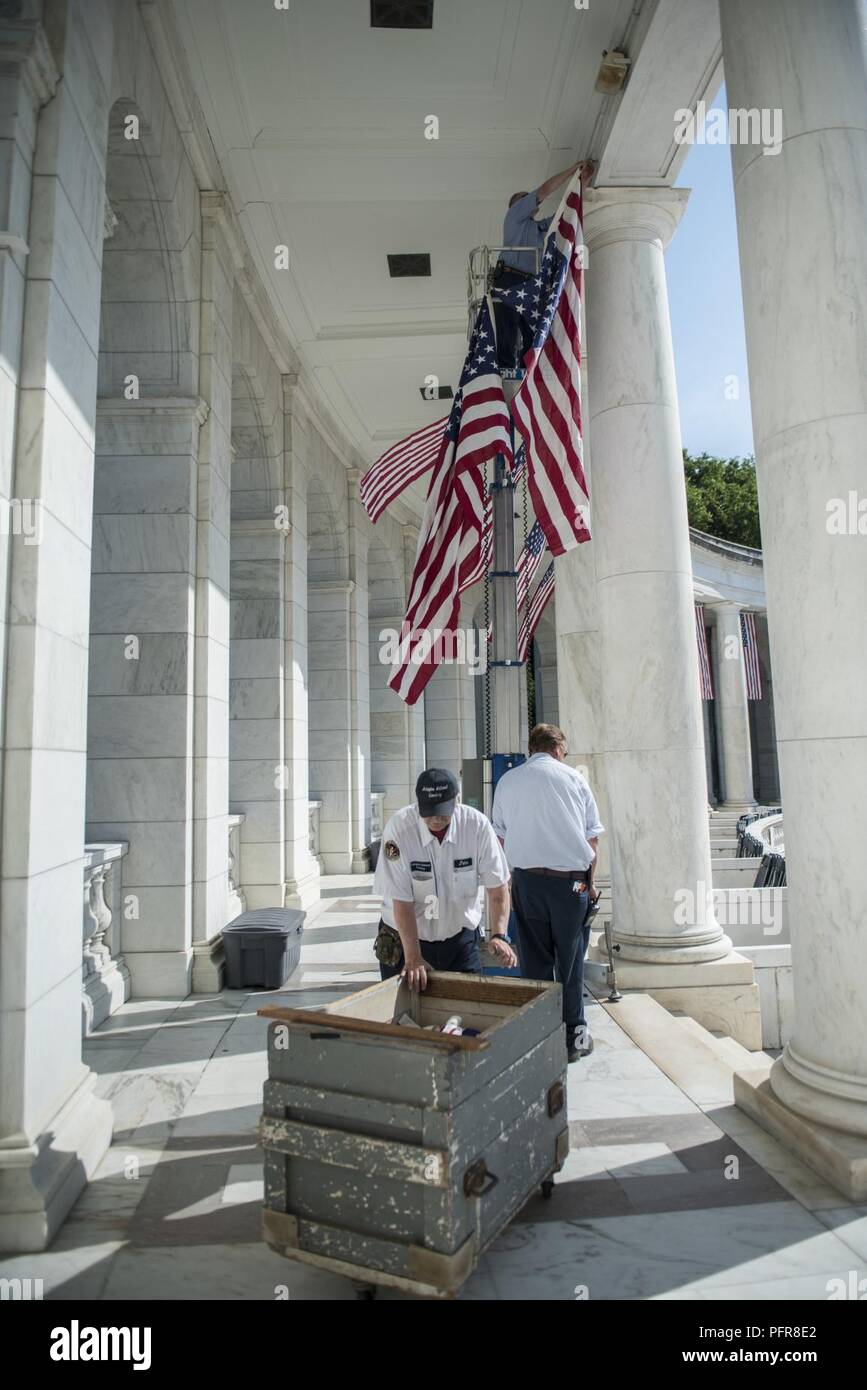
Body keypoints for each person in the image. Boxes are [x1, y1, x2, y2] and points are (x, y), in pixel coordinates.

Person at [491, 723, 604, 1062]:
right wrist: (591, 883)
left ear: (533, 748)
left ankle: (540, 1035)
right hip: (571, 884)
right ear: (557, 749)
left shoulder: (508, 781)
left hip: (527, 881)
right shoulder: (574, 779)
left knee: (534, 961)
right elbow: (593, 839)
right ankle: (574, 1035)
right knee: (570, 962)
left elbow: (500, 837)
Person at [373, 768, 517, 991]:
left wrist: (499, 934)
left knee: (468, 1011)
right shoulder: (399, 829)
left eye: (442, 812)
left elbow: (498, 887)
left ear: (456, 801)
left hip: (459, 940)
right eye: (429, 812)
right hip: (405, 940)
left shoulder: (477, 826)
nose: (436, 819)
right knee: (405, 1018)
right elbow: (401, 900)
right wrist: (413, 957)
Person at [493, 158, 596, 369]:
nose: (531, 203)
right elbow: (545, 189)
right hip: (510, 278)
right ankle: (505, 371)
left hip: (530, 284)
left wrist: (582, 182)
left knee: (532, 331)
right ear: (516, 205)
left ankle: (526, 373)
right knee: (508, 330)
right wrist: (572, 169)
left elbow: (566, 212)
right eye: (524, 199)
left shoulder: (538, 228)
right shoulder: (514, 216)